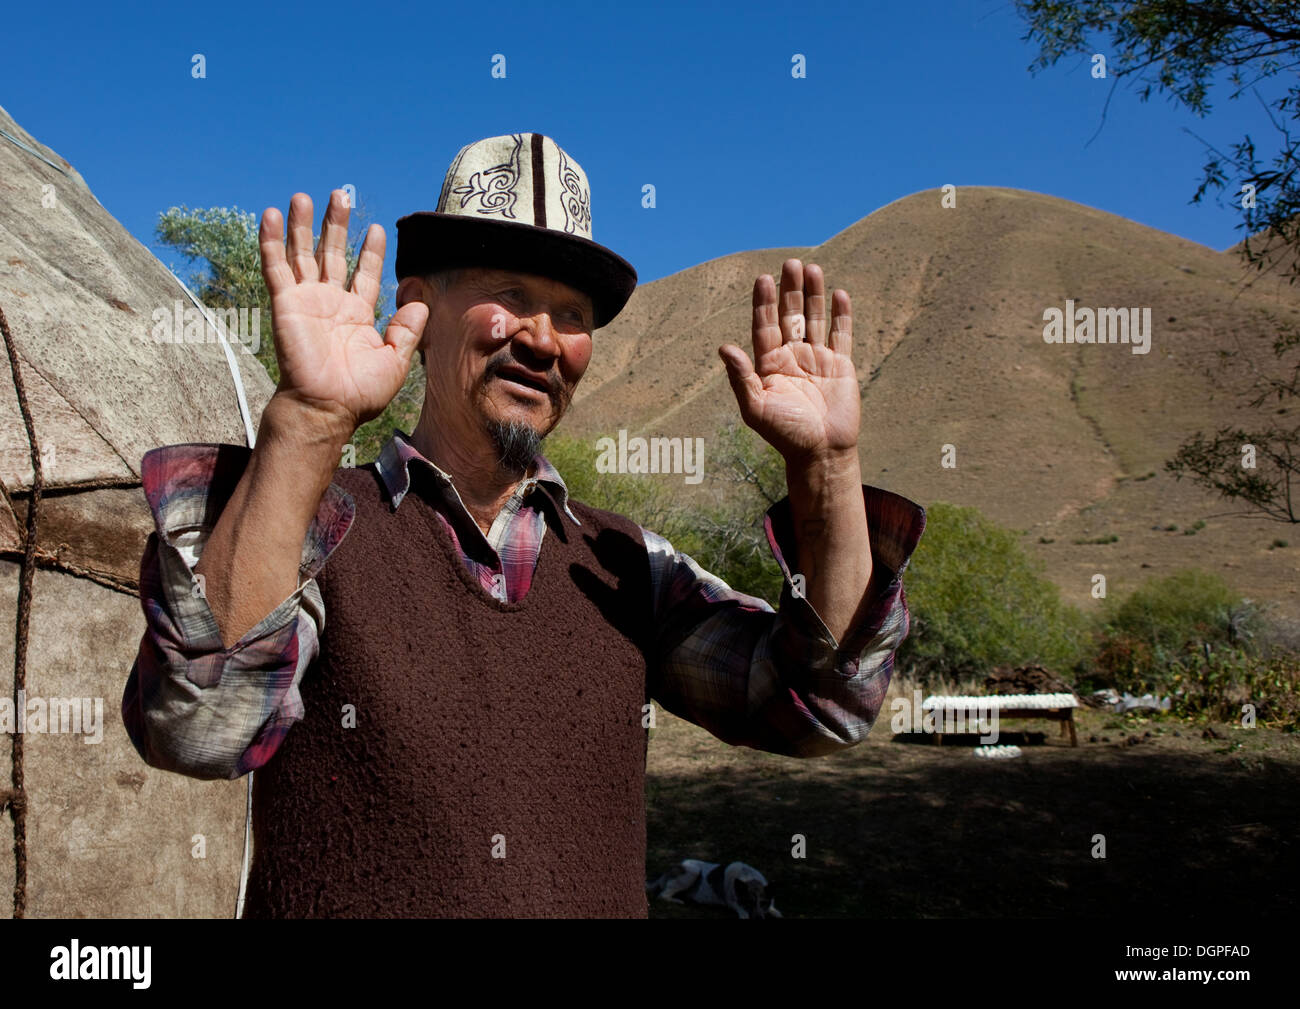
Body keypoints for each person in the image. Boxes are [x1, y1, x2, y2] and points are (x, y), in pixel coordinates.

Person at [122, 132, 925, 918]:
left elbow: (825, 702)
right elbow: (197, 725)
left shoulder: (624, 566)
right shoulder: (317, 531)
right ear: (420, 309)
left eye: (571, 313)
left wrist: (827, 470)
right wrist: (309, 420)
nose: (544, 339)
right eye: (511, 295)